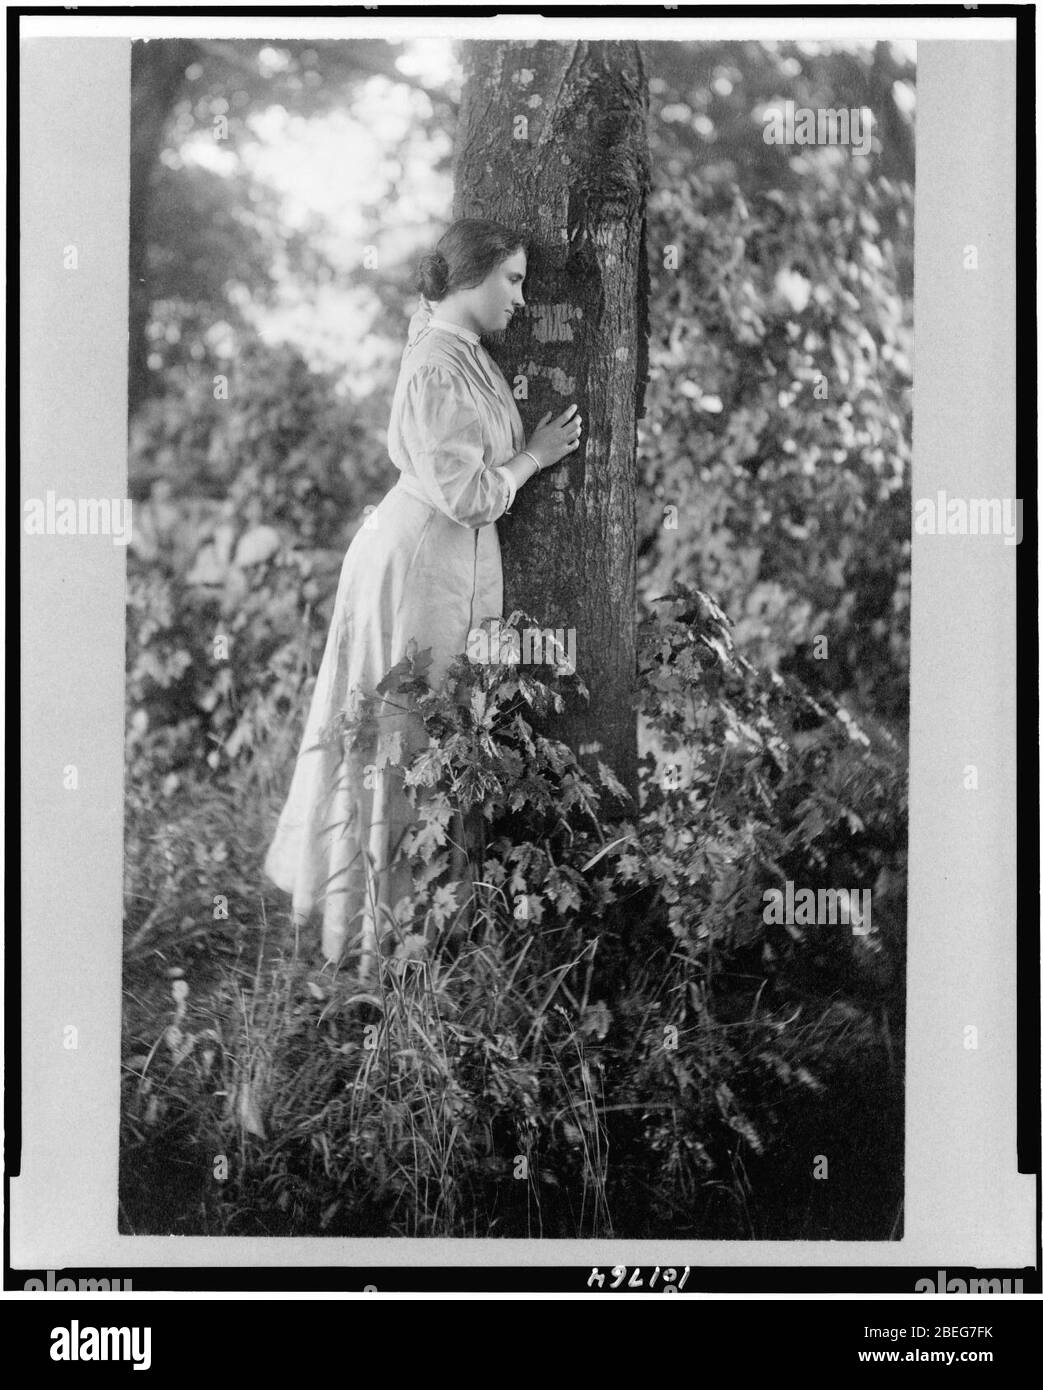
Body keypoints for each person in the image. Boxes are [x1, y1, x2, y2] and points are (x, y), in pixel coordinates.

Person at [263, 218, 583, 976]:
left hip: (445, 564)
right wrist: (534, 456)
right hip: (415, 565)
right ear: (470, 277)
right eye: (510, 278)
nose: (521, 295)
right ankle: (381, 940)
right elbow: (467, 493)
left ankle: (411, 932)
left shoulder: (455, 348)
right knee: (404, 734)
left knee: (430, 734)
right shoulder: (438, 363)